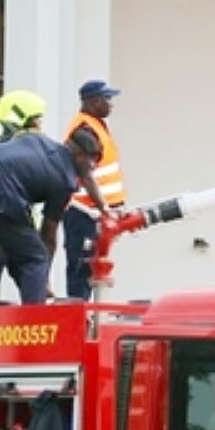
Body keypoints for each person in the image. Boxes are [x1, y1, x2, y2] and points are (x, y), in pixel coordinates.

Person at [0, 122, 102, 306]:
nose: (93, 168)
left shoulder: (38, 140)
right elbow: (48, 235)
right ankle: (34, 323)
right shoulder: (65, 179)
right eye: (93, 162)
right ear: (80, 155)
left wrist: (103, 206)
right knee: (35, 257)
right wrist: (43, 280)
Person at [61, 80, 126, 300]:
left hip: (95, 212)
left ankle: (85, 312)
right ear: (92, 101)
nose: (111, 104)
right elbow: (86, 175)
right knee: (82, 265)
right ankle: (80, 313)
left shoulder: (96, 125)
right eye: (106, 99)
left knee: (94, 265)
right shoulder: (85, 130)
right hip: (85, 212)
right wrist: (104, 207)